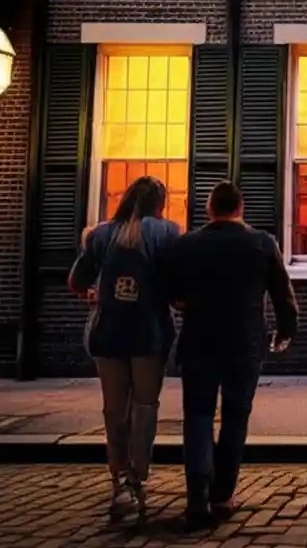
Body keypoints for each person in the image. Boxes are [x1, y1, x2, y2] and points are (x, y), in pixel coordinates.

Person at [167, 180, 298, 531]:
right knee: (235, 418)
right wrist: (286, 330)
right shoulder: (261, 243)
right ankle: (222, 496)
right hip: (244, 344)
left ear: (210, 208)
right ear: (240, 208)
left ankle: (197, 499)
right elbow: (282, 292)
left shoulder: (187, 245)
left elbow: (173, 292)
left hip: (199, 342)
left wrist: (186, 301)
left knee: (197, 418)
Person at [68, 176, 180, 523]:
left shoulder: (101, 234)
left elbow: (77, 280)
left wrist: (94, 293)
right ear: (159, 203)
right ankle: (138, 477)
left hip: (110, 330)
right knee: (145, 407)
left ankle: (118, 479)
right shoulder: (166, 233)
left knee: (114, 410)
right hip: (150, 331)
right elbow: (176, 283)